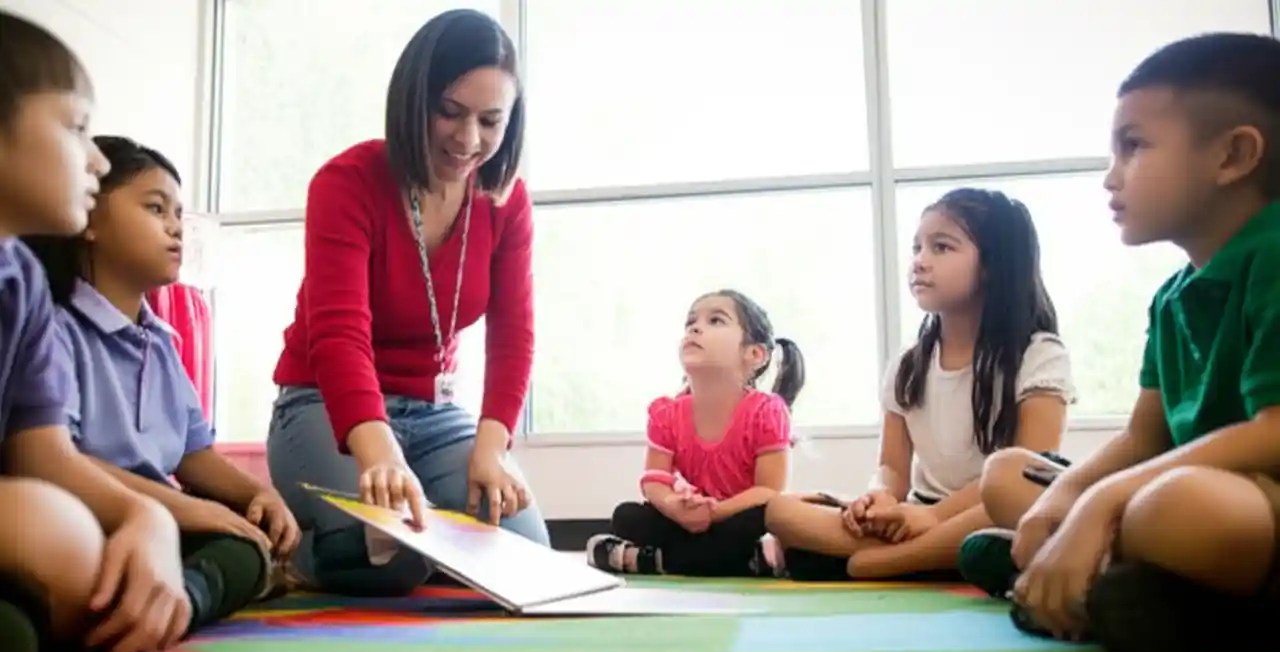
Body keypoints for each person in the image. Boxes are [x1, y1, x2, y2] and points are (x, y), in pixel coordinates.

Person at [966, 32, 1280, 652]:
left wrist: (1101, 501)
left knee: (1179, 504)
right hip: (1192, 499)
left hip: (1240, 505)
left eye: (1132, 146)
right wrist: (1062, 499)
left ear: (1232, 156)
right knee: (1009, 475)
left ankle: (1097, 579)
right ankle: (1114, 585)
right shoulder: (1171, 297)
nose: (1111, 176)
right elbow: (1143, 437)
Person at [266, 8, 549, 597]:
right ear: (413, 99)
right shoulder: (346, 182)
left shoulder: (505, 201)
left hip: (433, 412)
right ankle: (292, 552)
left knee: (524, 552)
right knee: (391, 559)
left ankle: (432, 535)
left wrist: (491, 450)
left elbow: (514, 334)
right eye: (450, 112)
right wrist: (379, 453)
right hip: (323, 405)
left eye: (491, 120)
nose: (469, 140)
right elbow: (338, 335)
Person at [22, 135, 302, 633]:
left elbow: (194, 454)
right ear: (88, 216)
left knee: (243, 549)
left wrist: (261, 496)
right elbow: (57, 460)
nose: (176, 227)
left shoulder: (162, 342)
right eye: (156, 208)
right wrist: (187, 509)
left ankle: (176, 605)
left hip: (161, 520)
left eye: (178, 213)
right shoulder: (55, 331)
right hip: (84, 515)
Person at [0, 12, 191, 652]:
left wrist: (152, 522)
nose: (99, 160)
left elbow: (43, 454)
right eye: (76, 128)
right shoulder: (58, 316)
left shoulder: (19, 281)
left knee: (78, 542)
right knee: (58, 535)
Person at [764, 188, 1074, 581]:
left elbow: (1031, 470)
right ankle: (926, 557)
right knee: (780, 511)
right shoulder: (908, 364)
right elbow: (892, 468)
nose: (919, 262)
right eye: (917, 248)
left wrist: (933, 517)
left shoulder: (1039, 354)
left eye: (941, 248)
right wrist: (879, 498)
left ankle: (888, 563)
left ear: (993, 265)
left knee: (1024, 498)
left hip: (984, 512)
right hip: (914, 513)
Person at [586, 290, 805, 577]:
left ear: (754, 354)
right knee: (627, 516)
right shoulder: (668, 413)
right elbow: (655, 479)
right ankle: (742, 561)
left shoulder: (767, 412)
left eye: (715, 320)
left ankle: (650, 560)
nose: (695, 328)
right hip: (693, 519)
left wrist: (716, 512)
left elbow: (768, 490)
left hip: (739, 518)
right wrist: (674, 507)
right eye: (691, 323)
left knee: (765, 518)